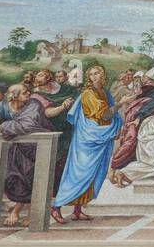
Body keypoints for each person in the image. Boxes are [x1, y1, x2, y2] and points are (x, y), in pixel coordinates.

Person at [51, 64, 122, 223]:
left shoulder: (105, 92)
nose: (95, 76)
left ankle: (77, 210)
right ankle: (56, 207)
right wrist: (122, 103)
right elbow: (105, 114)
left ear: (103, 74)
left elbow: (110, 115)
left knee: (91, 175)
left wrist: (116, 121)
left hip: (98, 137)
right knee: (78, 175)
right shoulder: (88, 94)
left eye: (97, 73)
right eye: (91, 74)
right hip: (87, 139)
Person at [0, 83, 55, 227]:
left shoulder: (34, 104)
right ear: (14, 97)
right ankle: (19, 210)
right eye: (24, 92)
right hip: (19, 147)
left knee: (31, 176)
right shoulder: (4, 107)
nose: (28, 94)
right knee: (14, 177)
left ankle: (25, 212)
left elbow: (27, 125)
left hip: (37, 147)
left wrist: (1, 126)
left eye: (28, 91)